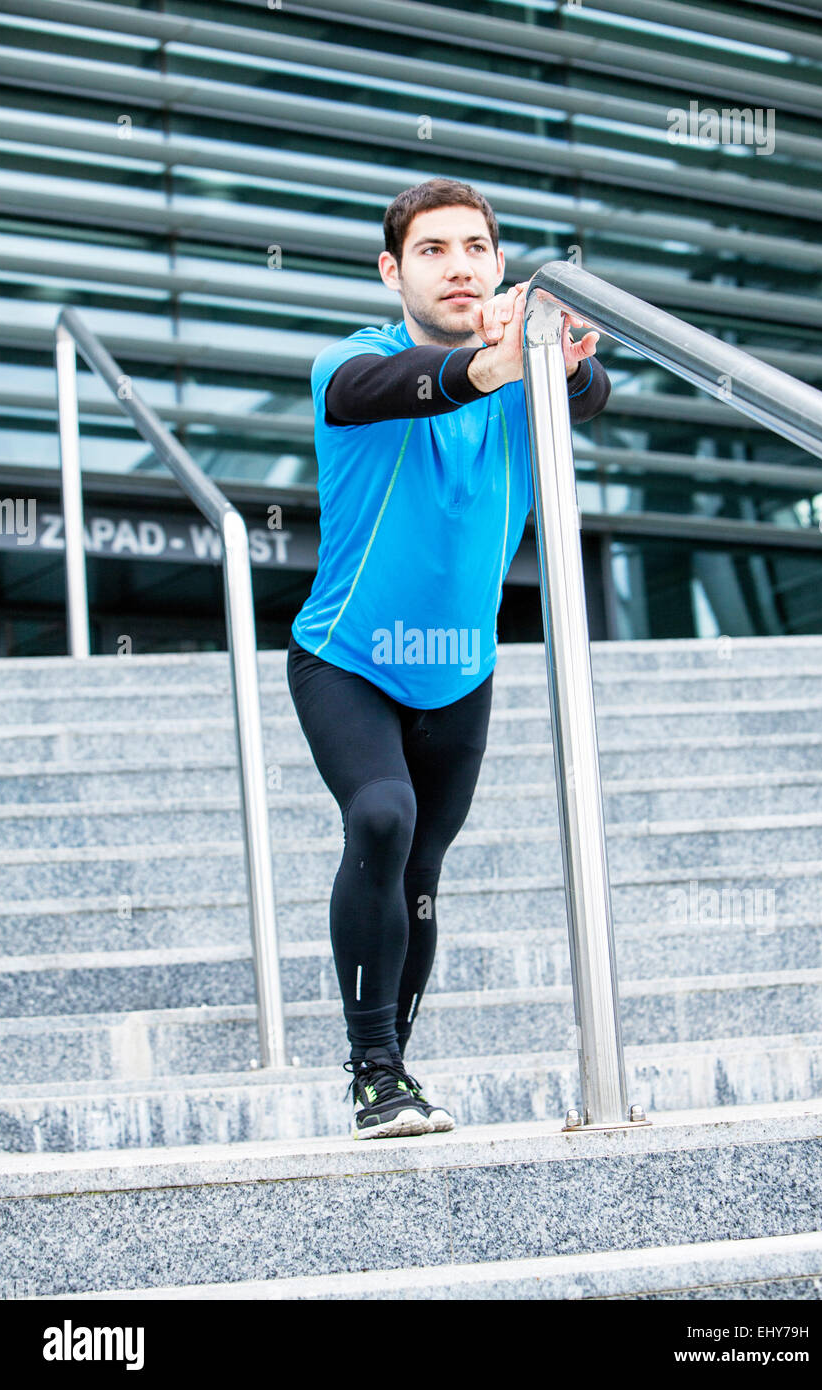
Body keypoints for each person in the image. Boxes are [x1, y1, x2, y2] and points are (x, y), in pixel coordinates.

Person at [286, 177, 610, 1139]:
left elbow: (592, 395)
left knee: (421, 868)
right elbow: (380, 392)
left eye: (475, 247)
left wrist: (559, 357)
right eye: (432, 250)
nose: (459, 263)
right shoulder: (353, 365)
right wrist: (489, 364)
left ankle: (397, 1073)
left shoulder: (529, 366)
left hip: (461, 671)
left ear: (500, 265)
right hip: (346, 656)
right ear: (394, 271)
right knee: (381, 818)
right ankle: (373, 1068)